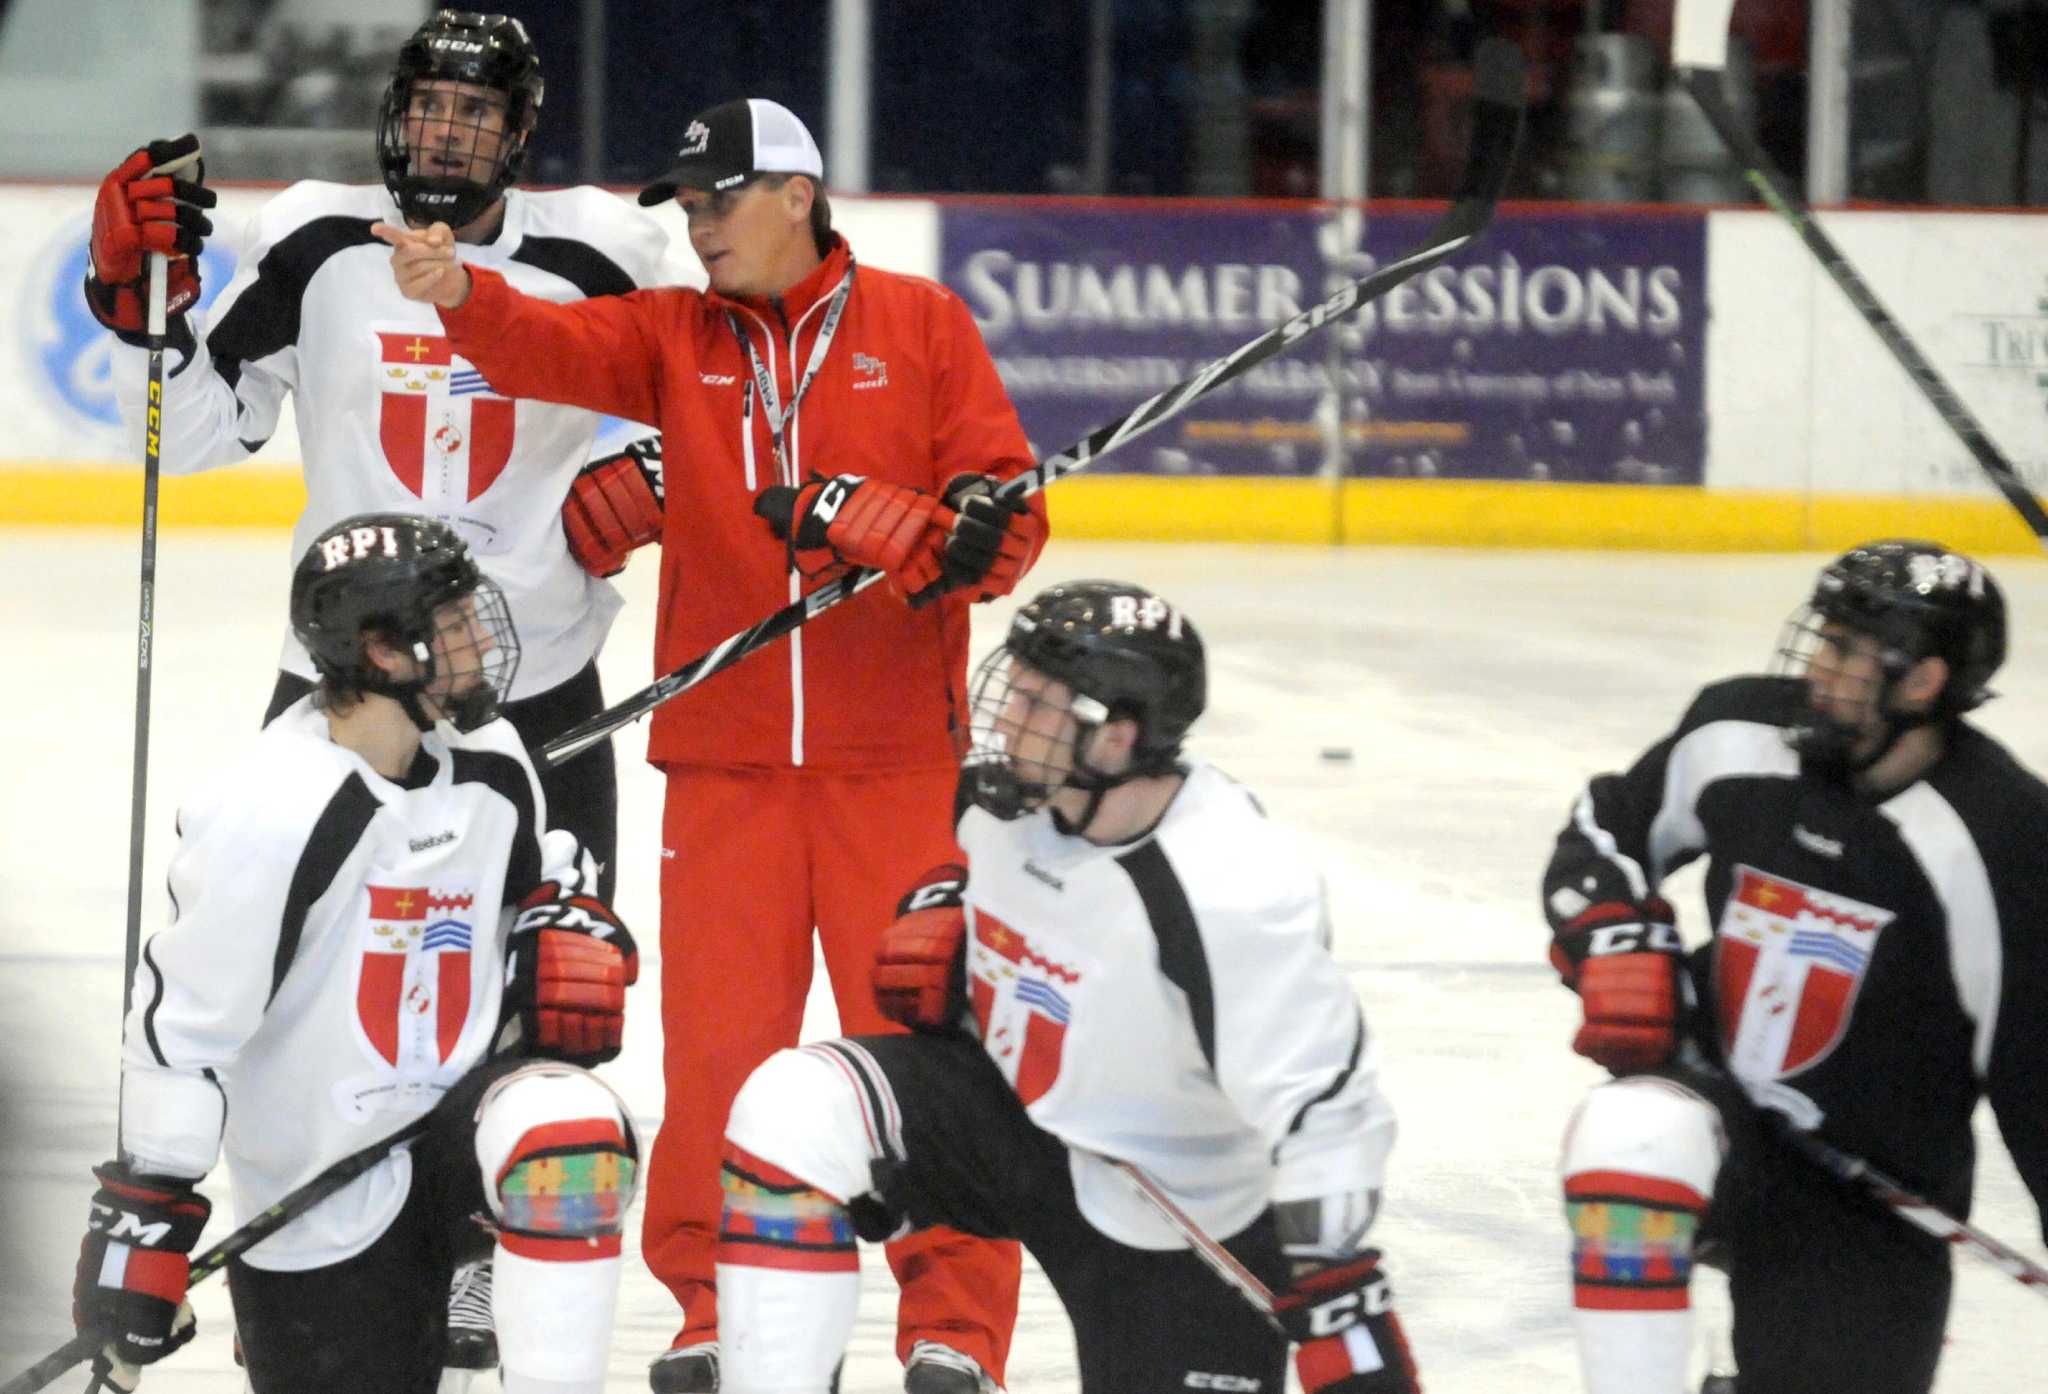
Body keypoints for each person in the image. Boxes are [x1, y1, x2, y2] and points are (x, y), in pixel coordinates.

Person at [377, 95, 1045, 1393]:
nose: (696, 228)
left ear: (796, 194)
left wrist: (905, 526)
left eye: (716, 201)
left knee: (929, 1052)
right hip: (726, 761)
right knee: (720, 1059)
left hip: (895, 761)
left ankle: (954, 1327)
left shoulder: (923, 328)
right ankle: (713, 1305)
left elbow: (1004, 534)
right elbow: (546, 346)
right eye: (682, 208)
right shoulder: (677, 339)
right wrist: (458, 290)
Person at [706, 579, 1418, 1394]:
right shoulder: (1005, 799)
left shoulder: (1230, 888)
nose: (1005, 719)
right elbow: (1028, 907)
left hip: (1172, 1211)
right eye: (1015, 689)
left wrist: (1331, 1280)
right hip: (1015, 1130)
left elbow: (1324, 1107)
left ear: (1118, 737)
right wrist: (953, 924)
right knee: (794, 1104)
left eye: (1039, 704)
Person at [82, 9, 671, 912]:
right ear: (397, 114)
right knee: (283, 951)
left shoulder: (602, 251)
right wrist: (136, 318)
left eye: (475, 111)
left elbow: (707, 388)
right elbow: (196, 434)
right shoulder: (315, 239)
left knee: (557, 990)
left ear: (517, 135)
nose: (446, 132)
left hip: (538, 677)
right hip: (340, 666)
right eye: (431, 105)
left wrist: (653, 470)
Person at [70, 513, 642, 1394]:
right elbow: (183, 1034)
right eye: (450, 625)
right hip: (325, 1183)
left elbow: (547, 882)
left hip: (460, 1139)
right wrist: (145, 1222)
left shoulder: (489, 760)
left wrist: (566, 929)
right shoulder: (271, 810)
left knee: (571, 1137)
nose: (476, 642)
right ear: (381, 652)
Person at [1542, 539, 2048, 1394]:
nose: (1819, 665)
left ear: (1922, 682)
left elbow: (2038, 1071)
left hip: (1870, 1200)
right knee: (1632, 1135)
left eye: (1849, 651)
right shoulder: (1740, 730)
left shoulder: (2000, 837)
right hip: (1724, 1116)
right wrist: (1615, 940)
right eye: (1825, 638)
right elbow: (1605, 834)